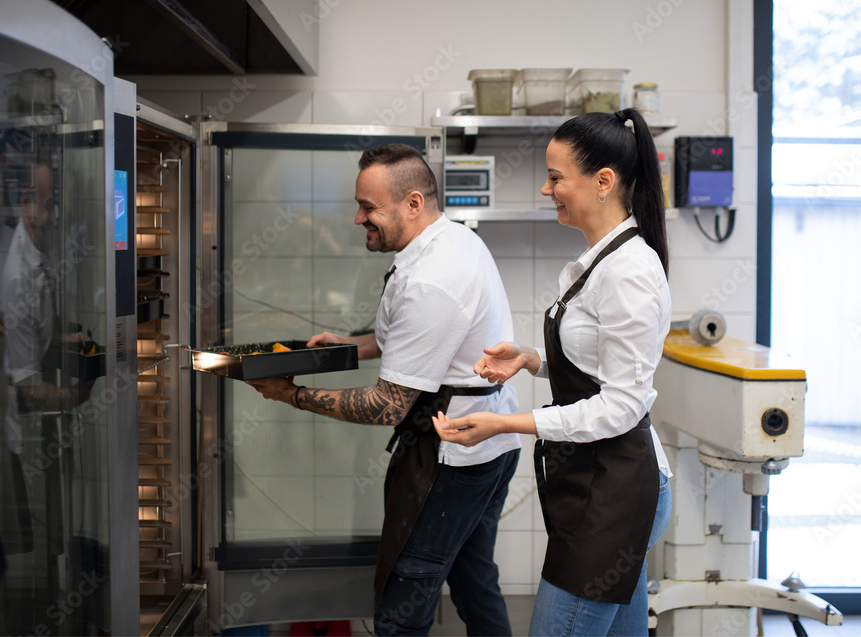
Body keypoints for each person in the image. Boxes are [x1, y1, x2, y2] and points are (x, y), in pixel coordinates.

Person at [247, 143, 521, 636]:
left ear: (413, 204)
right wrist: (350, 345)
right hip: (491, 448)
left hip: (450, 458)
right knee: (474, 579)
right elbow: (420, 341)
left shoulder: (433, 279)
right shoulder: (453, 241)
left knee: (402, 605)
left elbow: (387, 406)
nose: (358, 218)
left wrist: (290, 393)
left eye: (368, 208)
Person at [433, 108, 674, 636]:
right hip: (598, 479)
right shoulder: (599, 261)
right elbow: (595, 367)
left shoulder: (630, 271)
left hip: (617, 489)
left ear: (604, 182)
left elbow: (622, 405)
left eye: (556, 177)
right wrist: (530, 359)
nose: (547, 189)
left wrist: (505, 423)